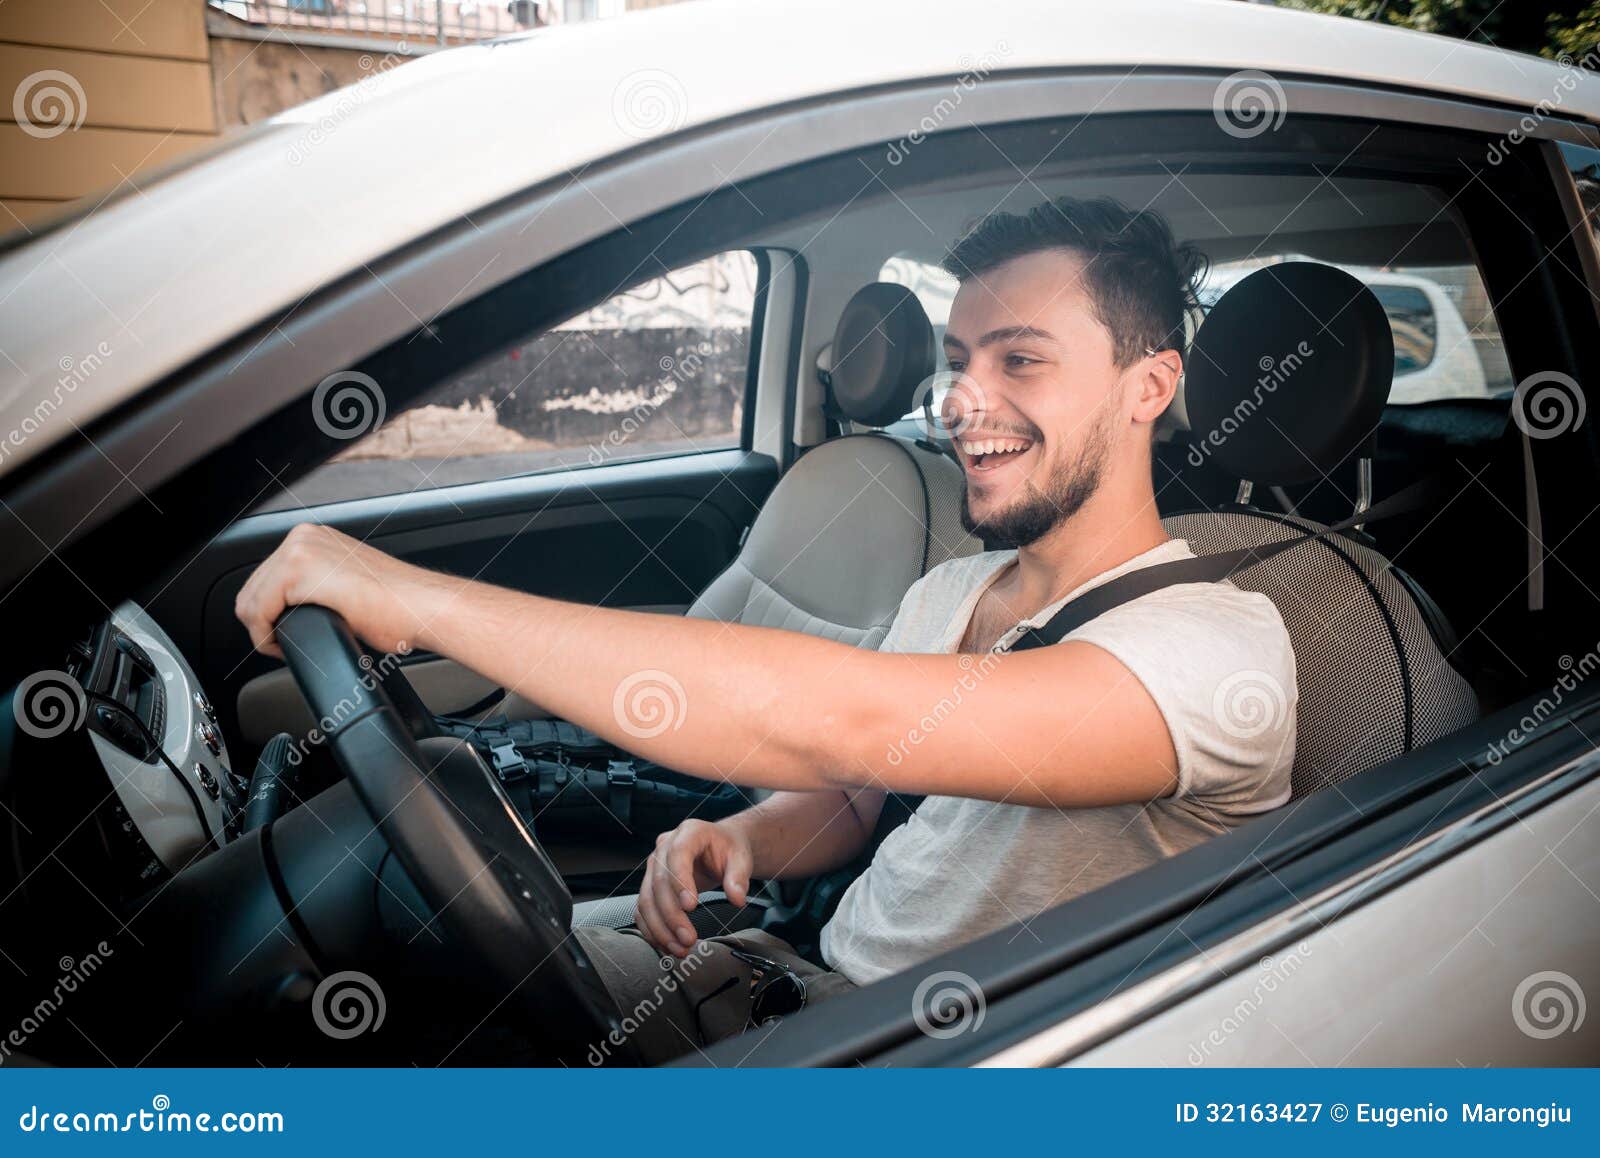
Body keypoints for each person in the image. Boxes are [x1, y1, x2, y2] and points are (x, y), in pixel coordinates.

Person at [235, 196, 1297, 1063]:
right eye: (960, 358)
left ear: (1148, 385)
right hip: (785, 978)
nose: (960, 400)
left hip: (932, 1054)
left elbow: (838, 719)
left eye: (1019, 361)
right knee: (374, 956)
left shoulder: (1211, 650)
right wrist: (743, 838)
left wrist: (419, 601)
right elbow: (857, 792)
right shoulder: (955, 590)